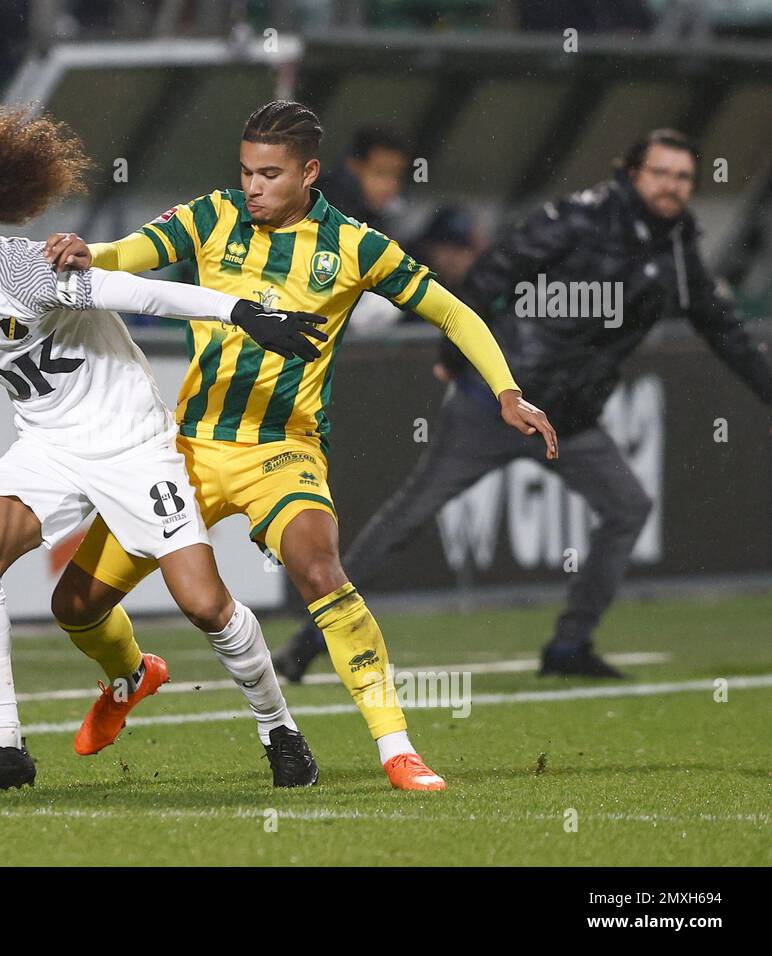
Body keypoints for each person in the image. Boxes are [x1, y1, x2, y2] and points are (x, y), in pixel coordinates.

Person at [44, 100, 557, 791]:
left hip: (281, 451)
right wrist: (83, 253)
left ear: (309, 172)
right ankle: (129, 678)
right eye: (247, 172)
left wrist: (506, 391)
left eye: (270, 174)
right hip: (184, 452)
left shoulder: (355, 246)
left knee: (319, 569)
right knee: (74, 605)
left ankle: (397, 747)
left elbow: (452, 310)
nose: (252, 186)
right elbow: (125, 258)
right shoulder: (212, 215)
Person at [0, 101, 330, 791]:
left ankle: (279, 729)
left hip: (132, 446)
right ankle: (6, 747)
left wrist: (240, 311)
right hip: (49, 449)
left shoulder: (32, 275)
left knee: (204, 603)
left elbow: (140, 295)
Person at [273, 128, 772, 682]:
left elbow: (725, 332)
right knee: (406, 519)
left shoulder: (678, 251)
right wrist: (456, 350)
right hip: (498, 401)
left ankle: (568, 647)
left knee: (628, 506)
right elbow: (495, 269)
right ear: (633, 173)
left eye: (682, 177)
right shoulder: (582, 219)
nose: (671, 186)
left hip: (567, 420)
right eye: (660, 173)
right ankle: (304, 646)